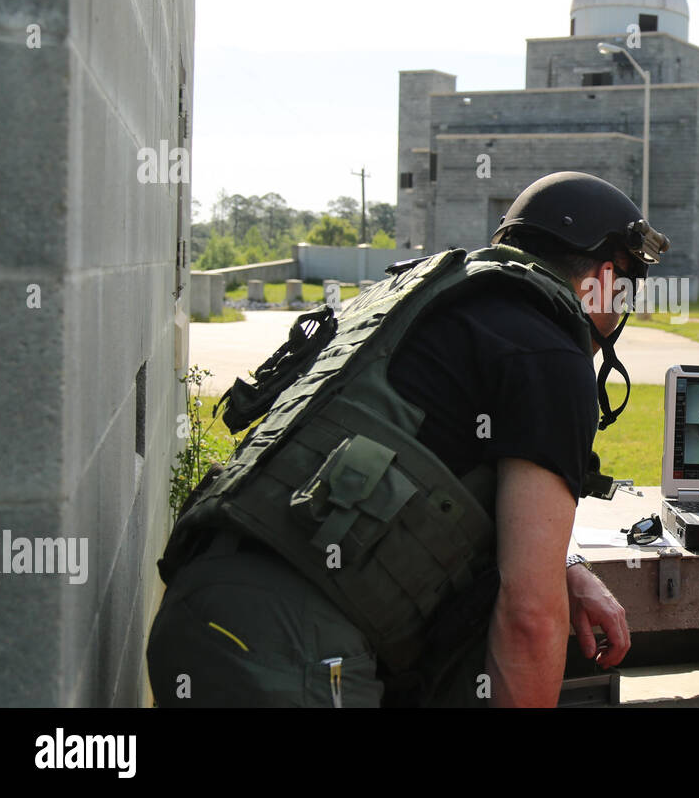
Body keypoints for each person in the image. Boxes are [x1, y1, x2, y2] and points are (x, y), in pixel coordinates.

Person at [147, 171, 668, 707]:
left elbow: (438, 452)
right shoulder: (550, 354)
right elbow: (531, 618)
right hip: (291, 655)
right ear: (606, 277)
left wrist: (567, 566)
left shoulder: (430, 301)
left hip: (207, 607)